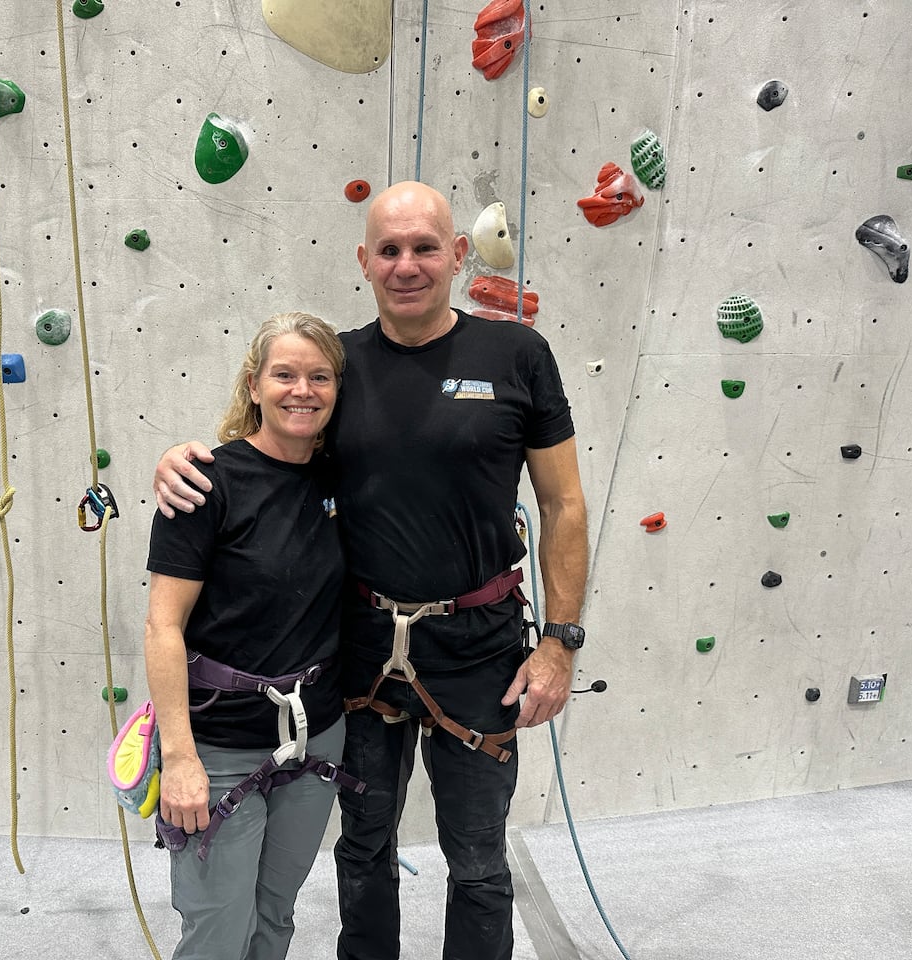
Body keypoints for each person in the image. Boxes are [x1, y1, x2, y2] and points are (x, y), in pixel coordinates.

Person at [154, 182, 589, 960]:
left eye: (426, 247)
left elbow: (563, 505)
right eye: (389, 249)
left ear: (458, 255)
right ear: (364, 261)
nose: (408, 265)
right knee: (362, 848)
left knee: (480, 860)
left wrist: (558, 644)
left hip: (481, 645)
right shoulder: (338, 368)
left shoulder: (518, 355)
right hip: (358, 650)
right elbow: (272, 452)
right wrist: (185, 461)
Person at [144, 311, 355, 960]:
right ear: (254, 384)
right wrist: (179, 758)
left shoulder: (343, 476)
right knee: (217, 931)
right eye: (285, 374)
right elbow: (162, 626)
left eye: (320, 376)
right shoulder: (206, 482)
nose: (303, 389)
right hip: (218, 744)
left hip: (314, 736)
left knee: (273, 916)